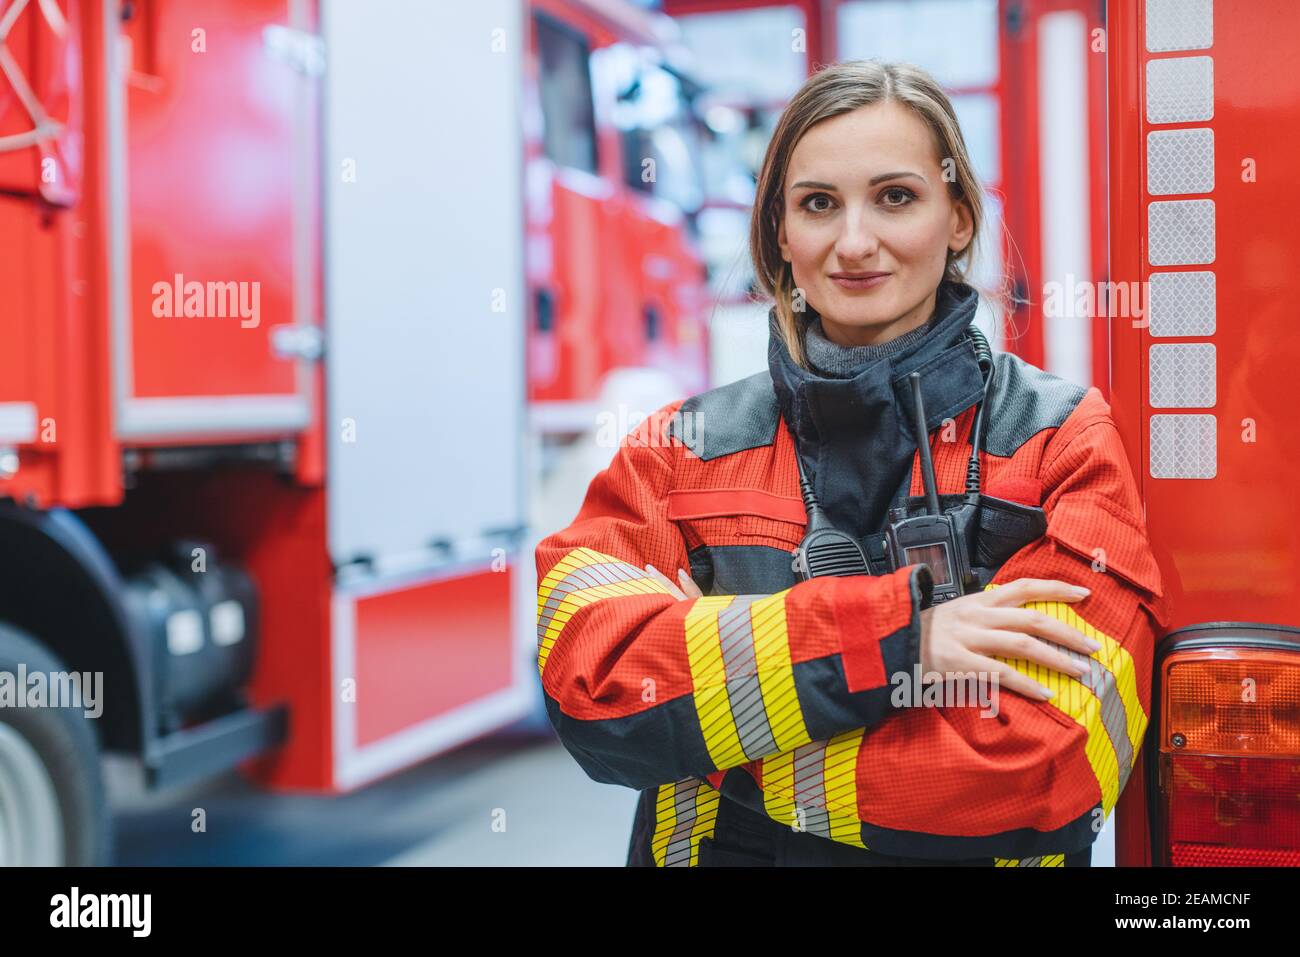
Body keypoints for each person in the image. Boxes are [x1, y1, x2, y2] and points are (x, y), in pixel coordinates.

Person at [534, 59, 1170, 866]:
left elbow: (1043, 762)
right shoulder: (678, 449)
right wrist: (902, 640)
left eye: (896, 197)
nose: (855, 242)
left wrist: (714, 725)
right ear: (779, 234)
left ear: (960, 218)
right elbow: (597, 692)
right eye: (818, 205)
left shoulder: (1057, 439)